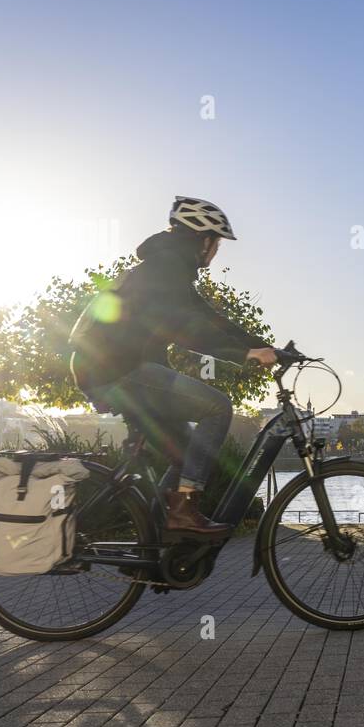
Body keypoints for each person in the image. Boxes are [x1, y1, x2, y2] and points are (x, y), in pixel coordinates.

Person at [69, 196, 278, 538]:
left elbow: (211, 319)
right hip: (115, 371)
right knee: (217, 406)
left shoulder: (169, 268)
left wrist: (260, 346)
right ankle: (183, 510)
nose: (217, 251)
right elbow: (185, 329)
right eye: (217, 242)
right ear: (203, 239)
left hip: (110, 369)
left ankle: (155, 534)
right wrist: (244, 355)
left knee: (184, 453)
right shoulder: (166, 268)